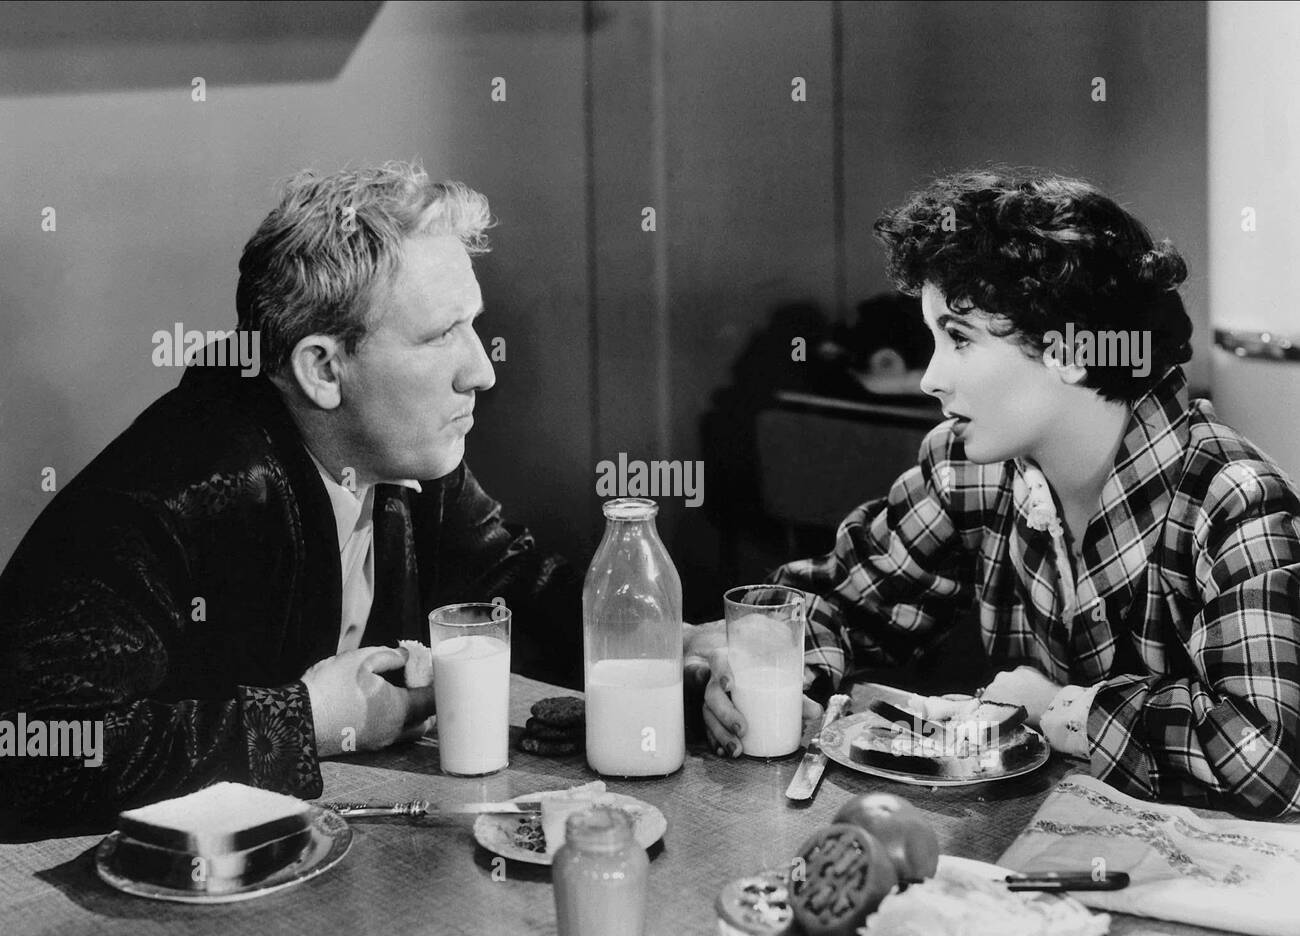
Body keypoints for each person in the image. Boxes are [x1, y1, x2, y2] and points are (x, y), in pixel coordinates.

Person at [692, 169, 1300, 817]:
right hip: (1028, 867)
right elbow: (841, 602)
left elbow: (1268, 755)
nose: (930, 377)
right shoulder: (968, 464)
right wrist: (775, 671)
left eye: (959, 337)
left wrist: (1063, 711)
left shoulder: (1234, 501)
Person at [0, 162, 581, 827]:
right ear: (325, 370)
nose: (481, 370)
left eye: (473, 326)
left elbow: (515, 584)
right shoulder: (180, 491)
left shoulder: (401, 448)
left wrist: (668, 649)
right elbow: (30, 750)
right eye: (440, 335)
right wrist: (309, 721)